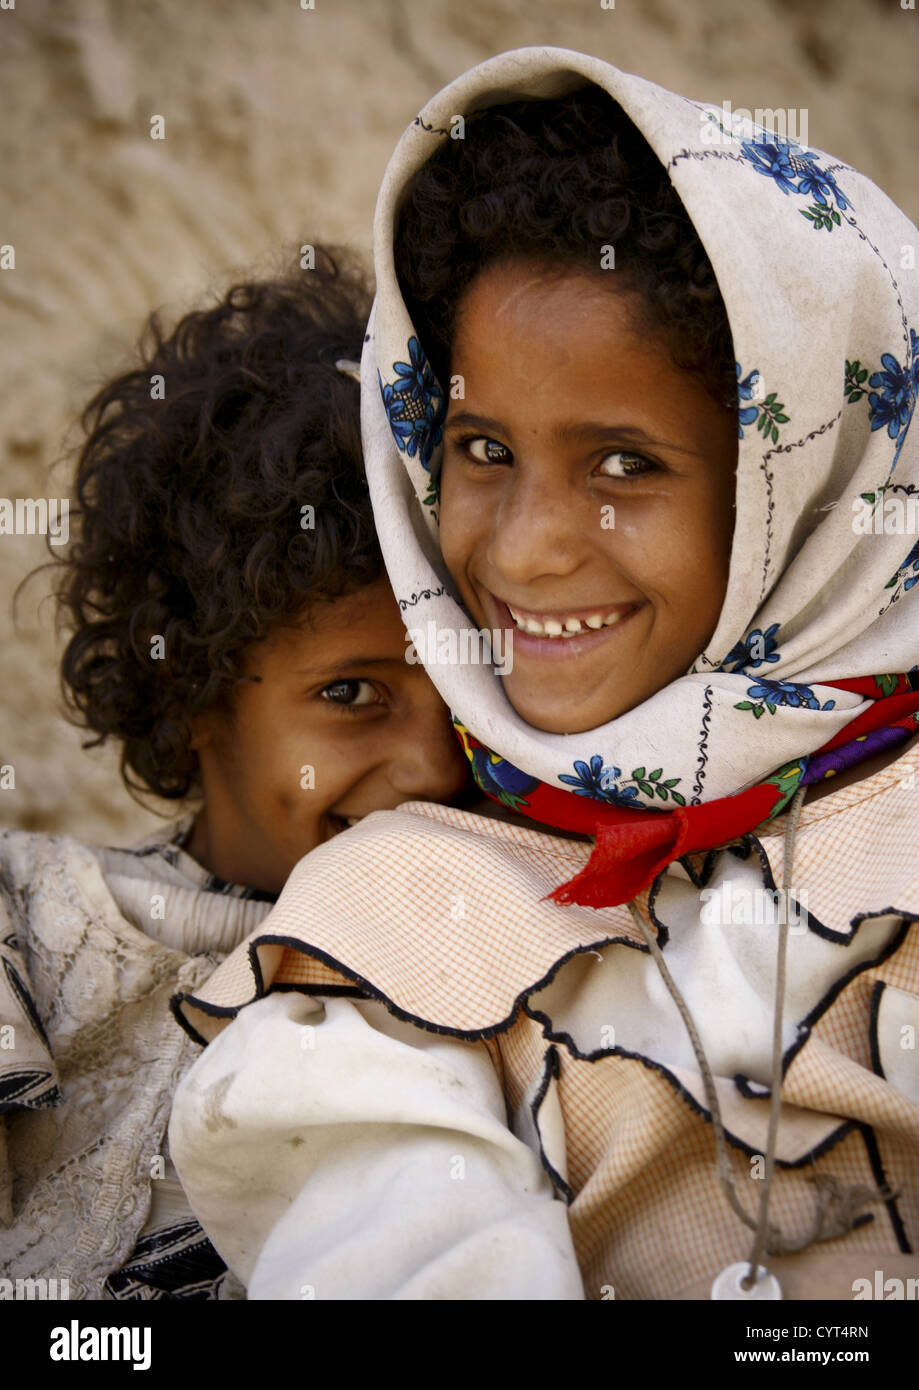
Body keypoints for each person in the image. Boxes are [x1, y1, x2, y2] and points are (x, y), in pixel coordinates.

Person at [168, 50, 919, 1301]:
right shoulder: (393, 911)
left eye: (623, 464)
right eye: (480, 448)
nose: (522, 548)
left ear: (810, 481)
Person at [0, 248, 469, 1298]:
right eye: (352, 693)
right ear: (193, 694)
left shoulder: (516, 975)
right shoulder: (26, 923)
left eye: (471, 694)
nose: (435, 766)